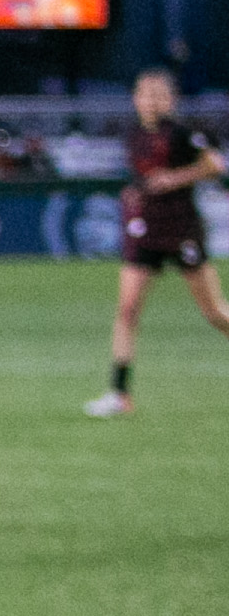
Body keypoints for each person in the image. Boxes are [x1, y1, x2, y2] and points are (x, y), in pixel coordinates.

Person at [88, 67, 229, 418]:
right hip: (146, 230)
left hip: (182, 229)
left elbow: (215, 164)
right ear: (135, 98)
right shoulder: (133, 134)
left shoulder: (184, 132)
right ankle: (120, 395)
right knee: (128, 309)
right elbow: (142, 177)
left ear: (170, 99)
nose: (150, 101)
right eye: (144, 94)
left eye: (158, 95)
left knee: (214, 312)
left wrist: (177, 178)